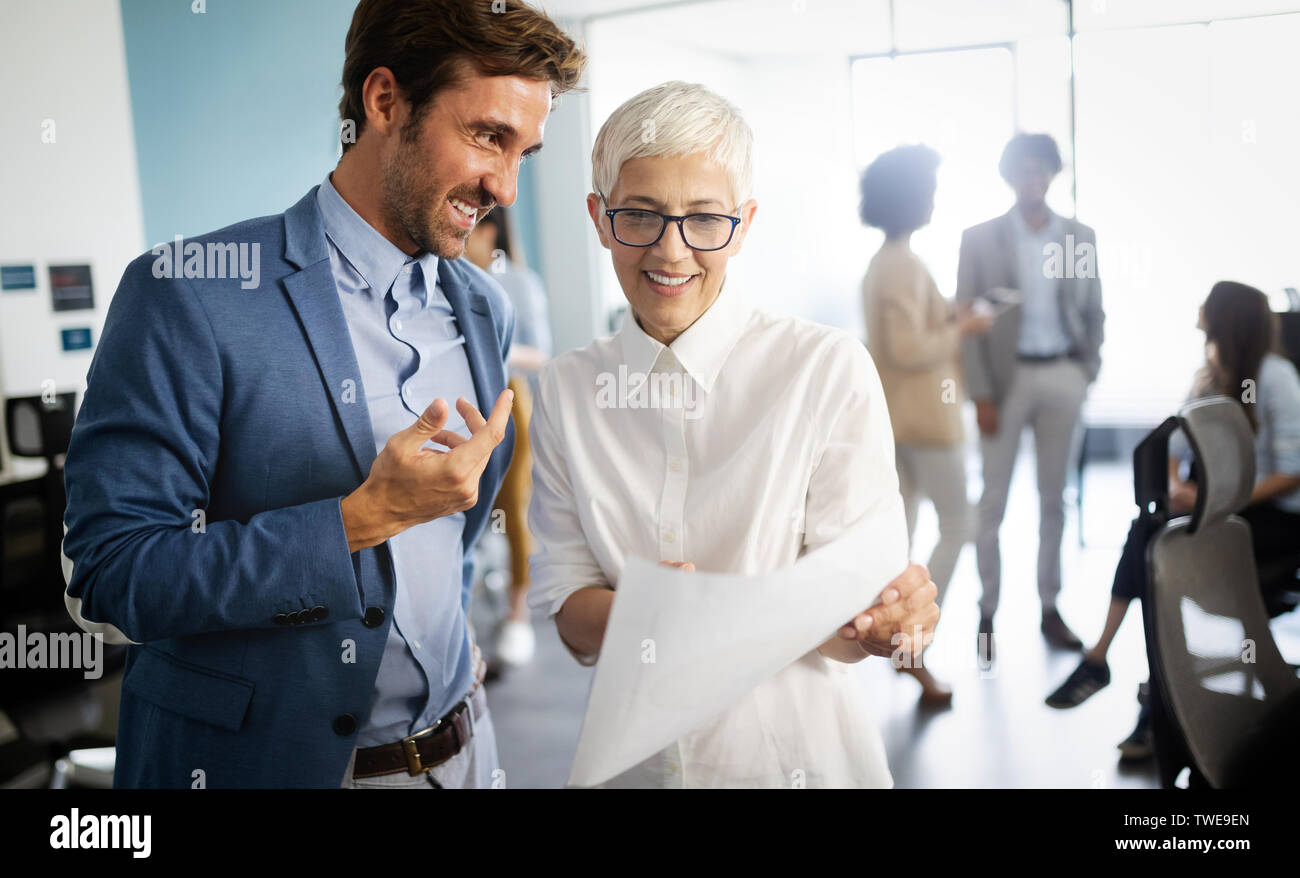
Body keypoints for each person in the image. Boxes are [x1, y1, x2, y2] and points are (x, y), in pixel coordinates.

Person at [59, 0, 585, 788]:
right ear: (383, 102)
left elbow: (453, 541)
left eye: (525, 152)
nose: (505, 188)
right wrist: (355, 524)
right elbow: (111, 574)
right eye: (487, 136)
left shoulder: (484, 309)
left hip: (465, 757)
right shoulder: (191, 295)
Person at [527, 81, 940, 788]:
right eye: (642, 215)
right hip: (638, 768)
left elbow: (848, 633)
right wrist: (653, 611)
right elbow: (569, 614)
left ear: (742, 224)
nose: (672, 249)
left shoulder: (824, 370)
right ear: (600, 218)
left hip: (793, 763)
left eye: (703, 219)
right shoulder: (567, 390)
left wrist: (878, 624)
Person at [1046, 280, 1300, 757]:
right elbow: (1174, 442)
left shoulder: (1276, 376)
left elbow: (1292, 471)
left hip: (1273, 523)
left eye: (1207, 303)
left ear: (1226, 315)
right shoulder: (1209, 375)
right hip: (1223, 512)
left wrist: (1222, 498)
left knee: (1148, 543)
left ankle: (1113, 672)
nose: (1198, 309)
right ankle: (1148, 700)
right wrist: (1179, 488)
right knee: (1149, 542)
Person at [956, 132, 1105, 661]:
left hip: (1063, 373)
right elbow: (966, 319)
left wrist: (1086, 371)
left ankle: (1050, 606)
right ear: (1010, 175)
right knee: (991, 500)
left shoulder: (1077, 237)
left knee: (1054, 500)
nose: (1032, 178)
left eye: (1040, 169)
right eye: (1023, 169)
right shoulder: (980, 239)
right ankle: (987, 609)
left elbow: (1094, 312)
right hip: (1006, 380)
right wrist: (980, 394)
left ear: (1051, 173)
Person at [859, 144, 992, 705]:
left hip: (899, 419)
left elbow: (910, 329)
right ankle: (913, 642)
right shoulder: (899, 264)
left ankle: (906, 646)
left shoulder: (894, 262)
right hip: (923, 422)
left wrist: (954, 314)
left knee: (903, 538)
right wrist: (962, 330)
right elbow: (906, 346)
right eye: (930, 190)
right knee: (960, 523)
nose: (935, 200)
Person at [465, 205, 553, 668]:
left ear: (490, 231)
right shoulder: (448, 278)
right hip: (460, 401)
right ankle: (463, 625)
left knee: (513, 512)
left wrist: (492, 346)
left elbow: (541, 353)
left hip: (509, 397)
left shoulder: (519, 282)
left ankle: (517, 620)